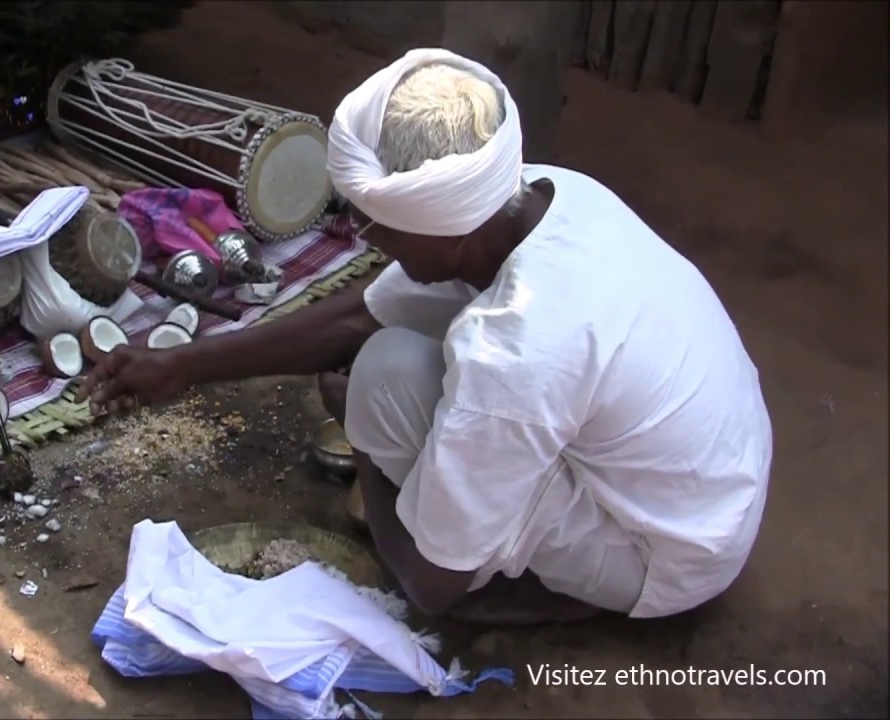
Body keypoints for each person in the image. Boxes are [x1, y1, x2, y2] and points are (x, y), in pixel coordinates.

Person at [77, 49, 773, 625]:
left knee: (386, 381)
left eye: (376, 228)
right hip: (711, 490)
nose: (366, 240)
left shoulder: (516, 352)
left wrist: (370, 455)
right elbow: (360, 314)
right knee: (388, 356)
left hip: (667, 557)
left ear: (452, 232)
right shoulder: (547, 194)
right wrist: (182, 365)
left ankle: (548, 597)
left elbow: (430, 583)